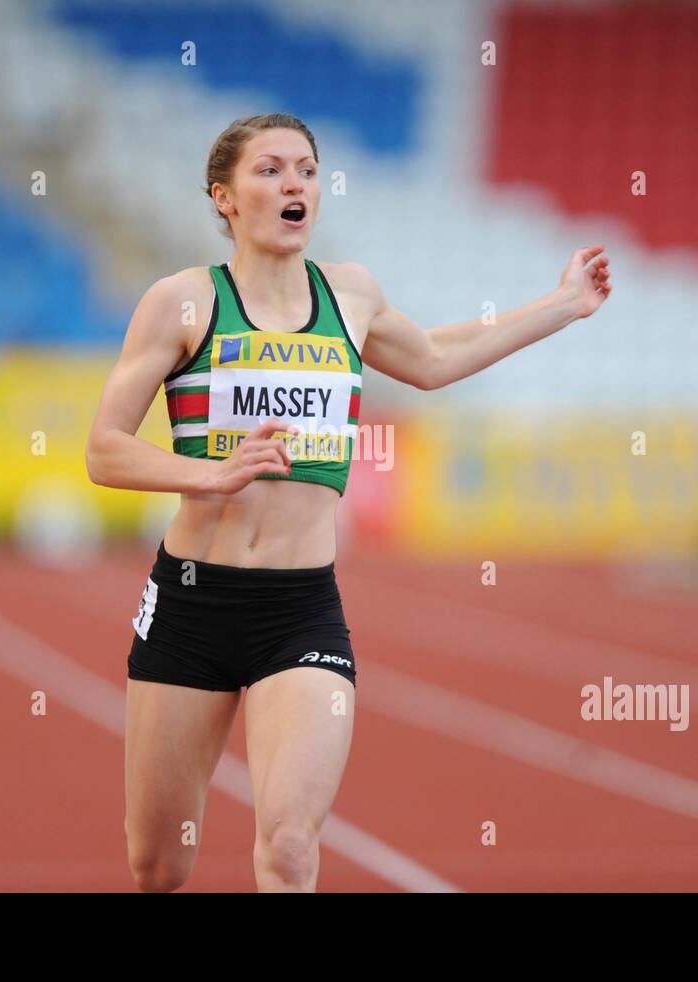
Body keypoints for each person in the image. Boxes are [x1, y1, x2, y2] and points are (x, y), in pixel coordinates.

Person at [85, 112, 612, 892]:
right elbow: (103, 449)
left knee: (291, 847)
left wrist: (562, 304)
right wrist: (212, 474)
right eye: (269, 170)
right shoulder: (184, 303)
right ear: (223, 197)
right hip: (193, 604)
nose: (294, 183)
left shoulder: (351, 296)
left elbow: (434, 358)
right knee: (159, 865)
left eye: (306, 168)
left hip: (301, 610)